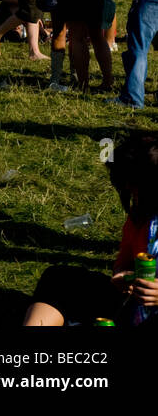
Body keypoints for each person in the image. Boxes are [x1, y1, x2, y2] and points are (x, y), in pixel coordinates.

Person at [23, 130, 158, 326]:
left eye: (136, 188)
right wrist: (122, 277)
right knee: (58, 279)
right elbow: (125, 261)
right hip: (135, 305)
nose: (131, 194)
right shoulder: (139, 215)